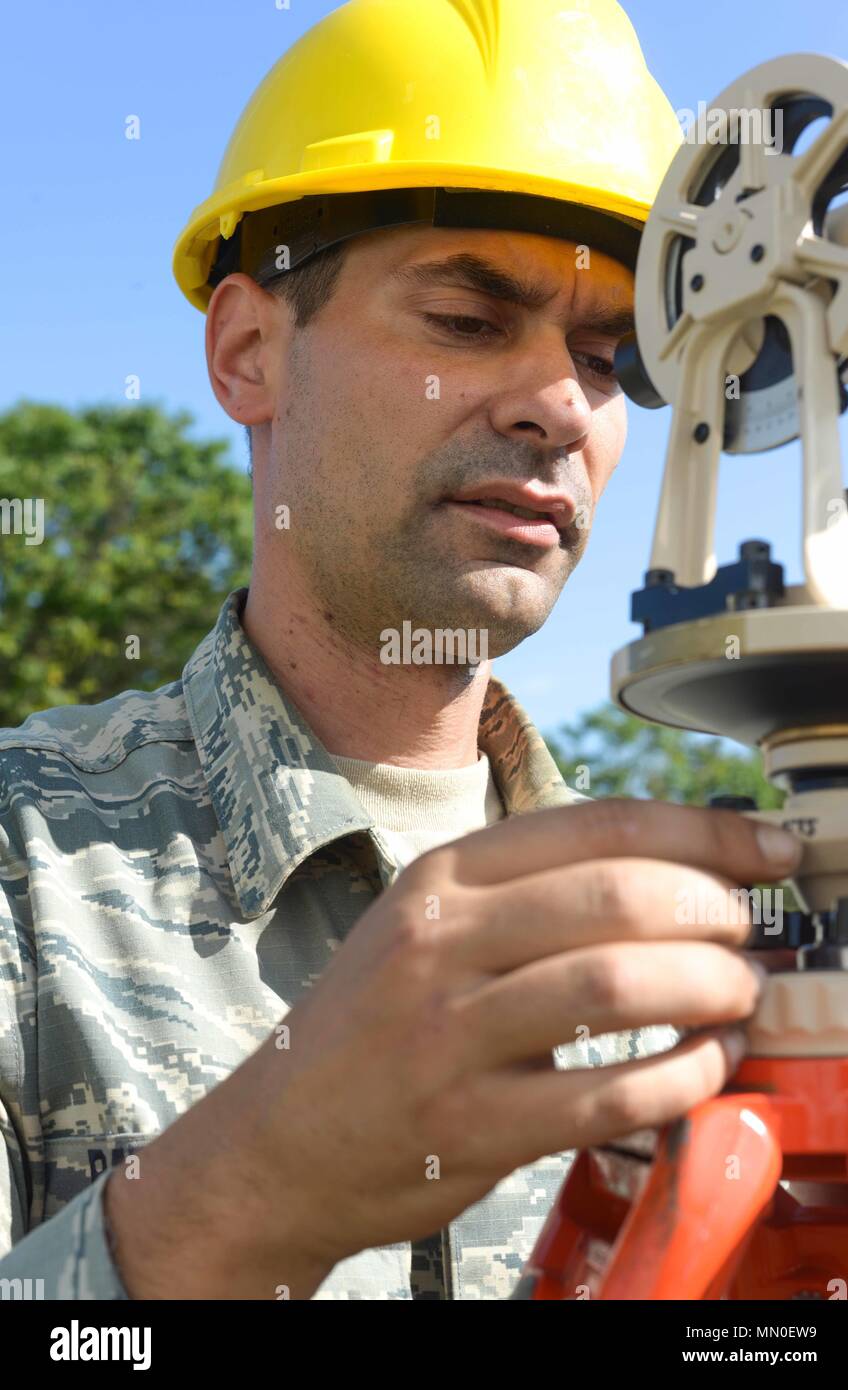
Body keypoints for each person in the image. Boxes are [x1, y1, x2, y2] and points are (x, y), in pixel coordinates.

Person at [0, 0, 802, 1300]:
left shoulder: (675, 958)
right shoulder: (23, 874)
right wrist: (256, 1186)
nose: (560, 405)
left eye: (609, 360)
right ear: (250, 349)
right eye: (469, 321)